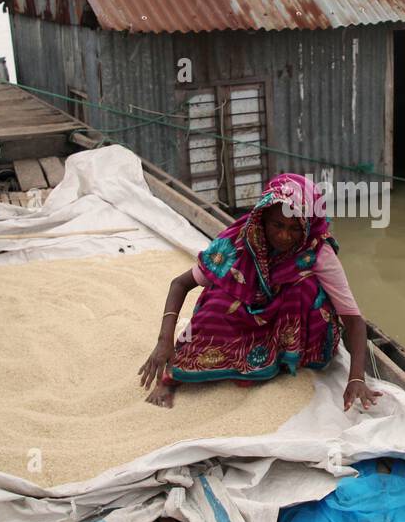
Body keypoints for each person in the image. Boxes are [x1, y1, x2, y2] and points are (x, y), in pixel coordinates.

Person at [138, 173, 382, 412]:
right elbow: (179, 284)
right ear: (263, 219)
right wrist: (164, 342)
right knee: (218, 303)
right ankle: (173, 377)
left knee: (304, 288)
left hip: (290, 326)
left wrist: (356, 378)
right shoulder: (239, 240)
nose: (284, 236)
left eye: (294, 228)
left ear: (307, 226)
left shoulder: (316, 250)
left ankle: (284, 359)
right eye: (277, 225)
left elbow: (353, 320)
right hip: (248, 313)